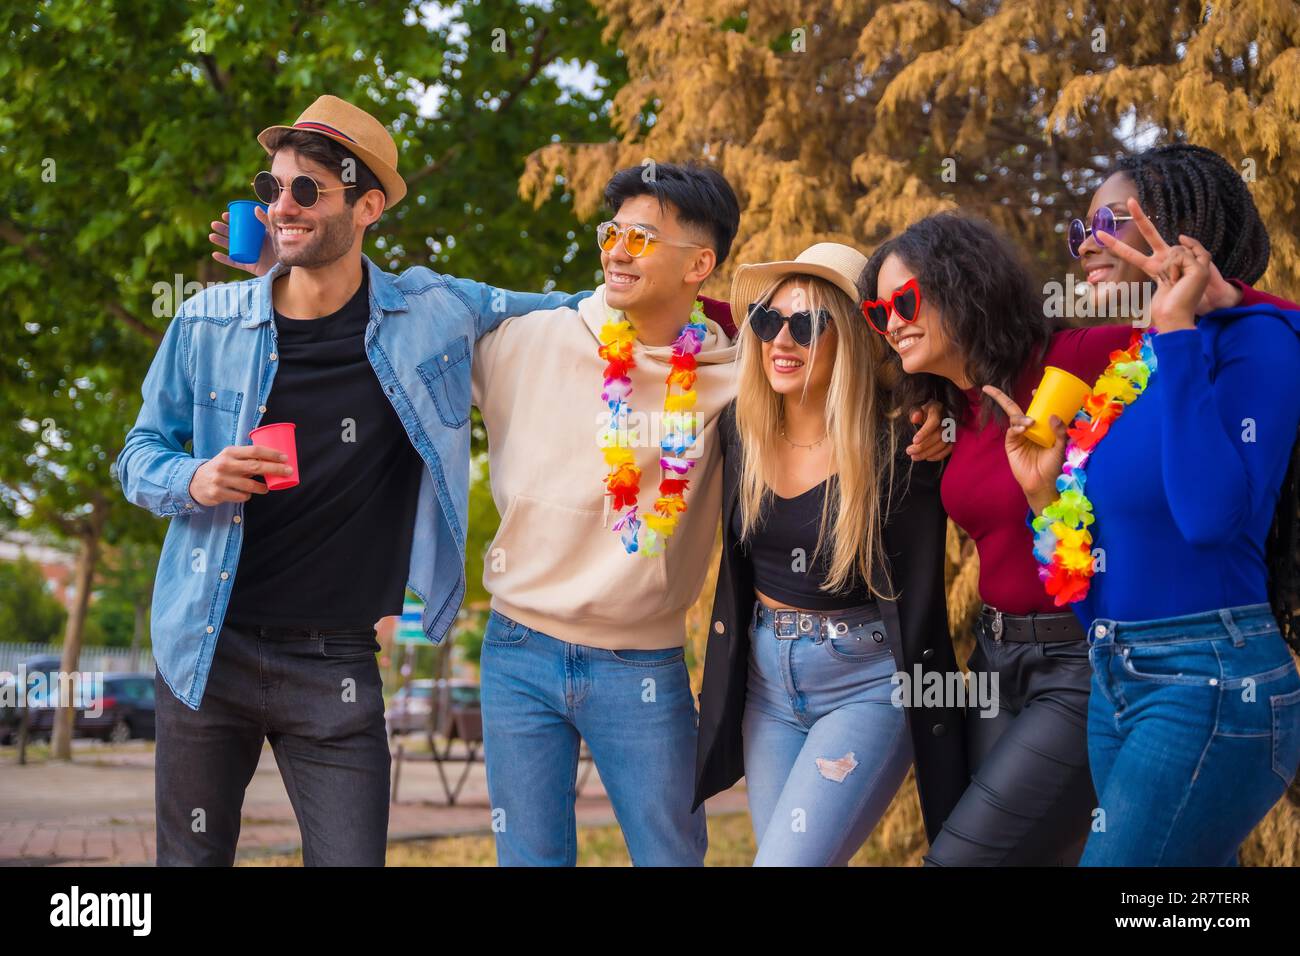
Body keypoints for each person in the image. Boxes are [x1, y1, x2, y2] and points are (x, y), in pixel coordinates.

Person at [119, 95, 588, 866]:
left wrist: (690, 323)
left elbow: (570, 313)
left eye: (308, 190)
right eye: (271, 190)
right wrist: (196, 477)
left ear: (367, 205)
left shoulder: (433, 313)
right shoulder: (206, 324)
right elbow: (138, 454)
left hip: (335, 665)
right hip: (208, 644)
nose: (282, 207)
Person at [989, 147, 1300, 866]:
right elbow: (1095, 584)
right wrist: (1044, 499)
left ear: (1183, 231)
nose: (1087, 245)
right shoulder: (1138, 366)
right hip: (1118, 676)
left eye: (1107, 221)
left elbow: (1209, 520)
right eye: (1080, 228)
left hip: (1213, 680)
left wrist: (1181, 330)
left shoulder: (1261, 341)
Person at [690, 244, 965, 865]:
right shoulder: (741, 427)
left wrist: (942, 409)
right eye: (767, 321)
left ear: (852, 337)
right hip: (765, 685)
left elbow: (987, 367)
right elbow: (665, 332)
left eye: (807, 323)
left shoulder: (904, 440)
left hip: (865, 683)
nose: (780, 340)